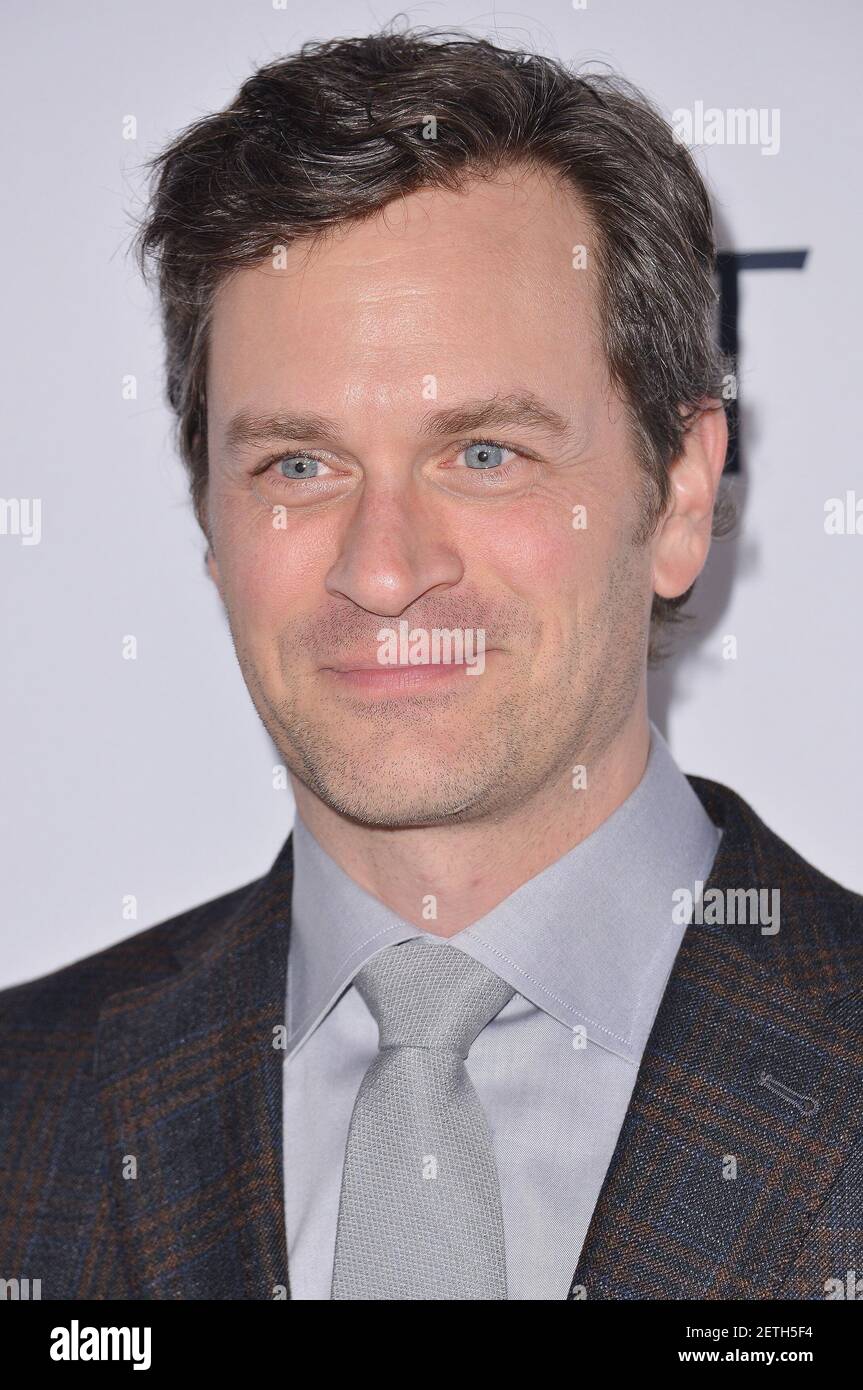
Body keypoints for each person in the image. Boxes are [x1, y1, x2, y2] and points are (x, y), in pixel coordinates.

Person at [1, 26, 860, 1302]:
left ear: (679, 491)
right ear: (208, 519)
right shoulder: (26, 1109)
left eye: (484, 453)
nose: (384, 569)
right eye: (298, 464)